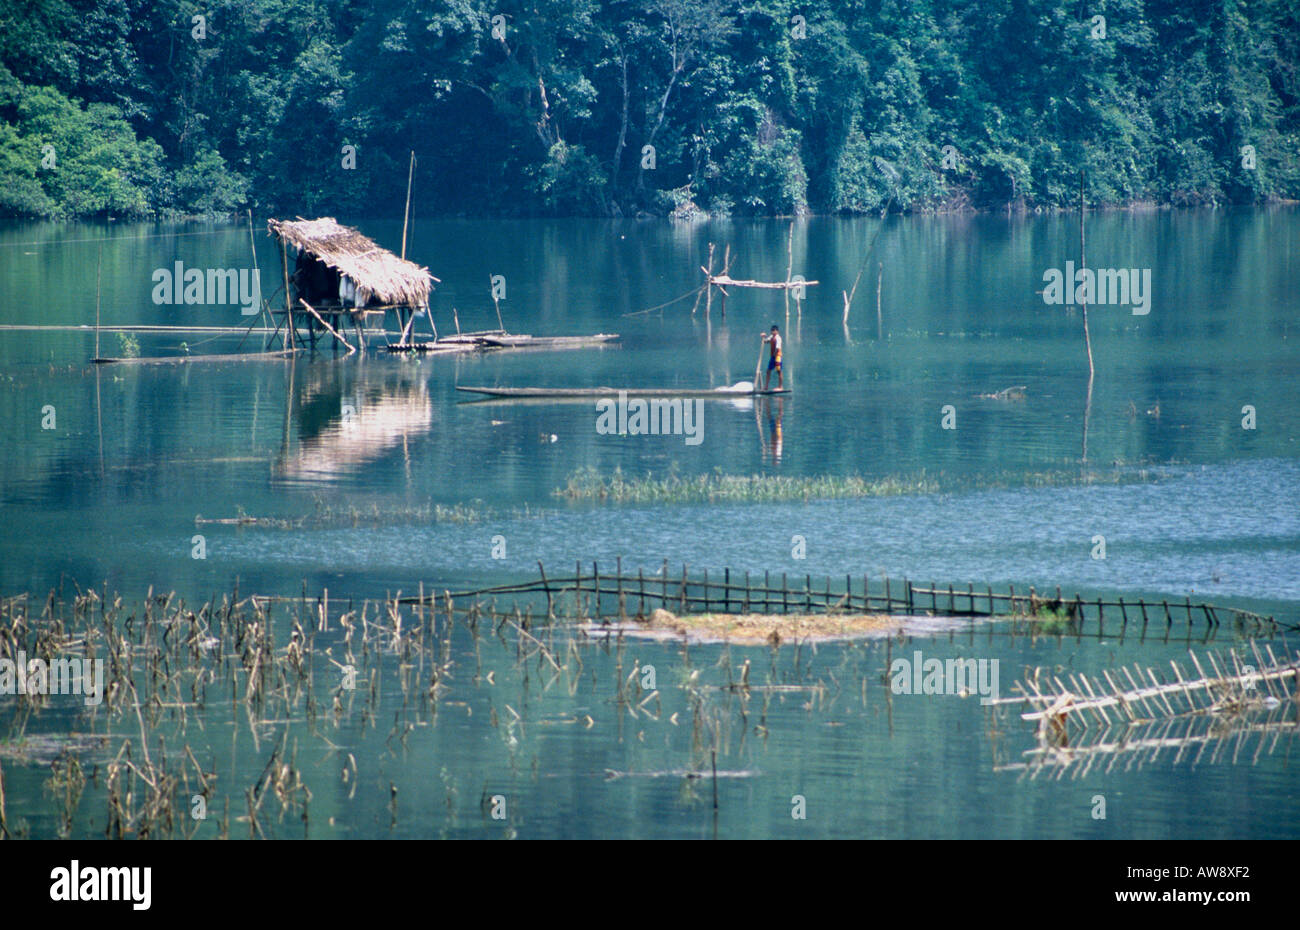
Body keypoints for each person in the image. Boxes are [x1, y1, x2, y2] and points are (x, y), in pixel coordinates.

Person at [761, 325, 783, 391]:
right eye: (772, 331)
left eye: (774, 331)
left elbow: (777, 348)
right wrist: (763, 337)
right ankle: (766, 386)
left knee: (779, 371)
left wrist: (774, 355)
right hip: (773, 357)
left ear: (777, 331)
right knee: (768, 371)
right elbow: (765, 341)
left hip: (777, 357)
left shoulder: (778, 338)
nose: (773, 332)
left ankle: (780, 387)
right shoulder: (771, 337)